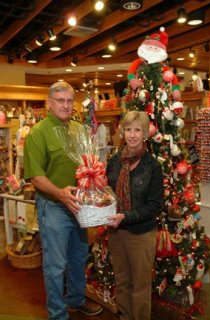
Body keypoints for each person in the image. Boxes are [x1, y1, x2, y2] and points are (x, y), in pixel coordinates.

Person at [24, 81, 103, 320]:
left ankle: (76, 300)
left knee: (79, 258)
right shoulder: (37, 134)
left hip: (79, 207)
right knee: (56, 266)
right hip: (54, 208)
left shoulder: (79, 130)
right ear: (50, 103)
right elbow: (36, 177)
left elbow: (88, 163)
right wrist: (60, 194)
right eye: (60, 100)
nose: (65, 105)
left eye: (69, 101)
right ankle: (57, 314)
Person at [106, 111, 164, 320]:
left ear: (145, 134)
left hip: (141, 234)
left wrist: (126, 217)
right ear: (122, 131)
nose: (132, 135)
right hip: (116, 232)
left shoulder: (153, 167)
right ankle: (125, 316)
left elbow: (154, 205)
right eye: (128, 129)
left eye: (137, 130)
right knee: (121, 281)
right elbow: (106, 193)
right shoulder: (114, 162)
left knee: (140, 285)